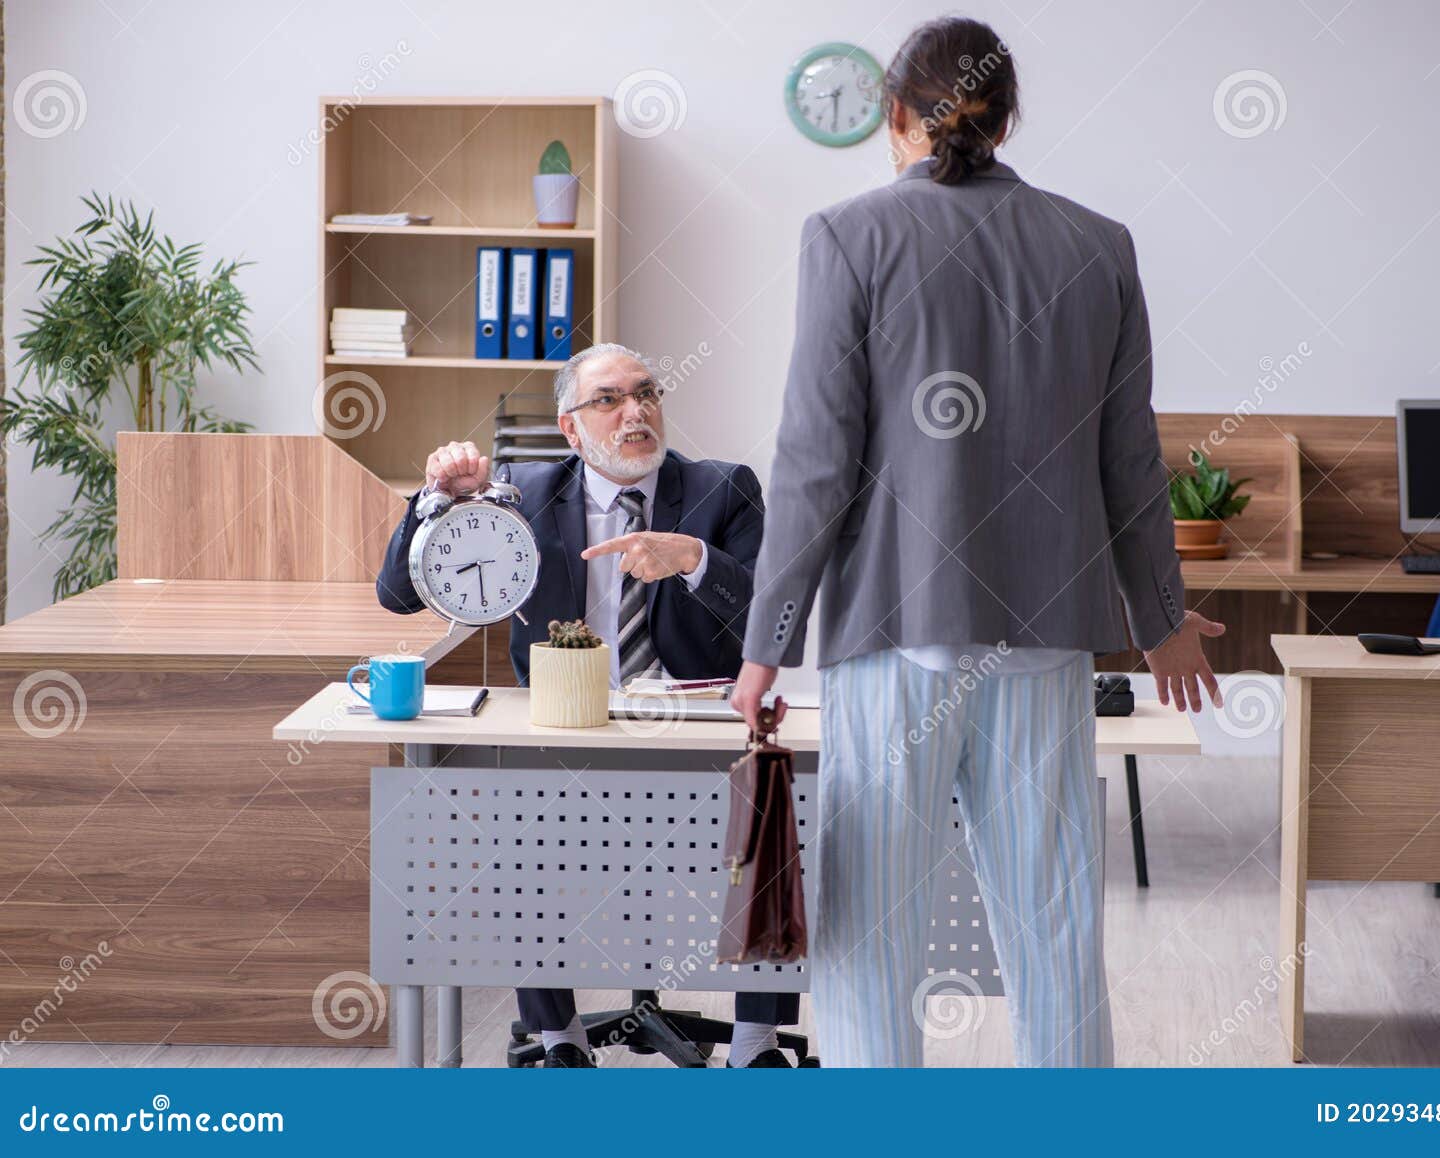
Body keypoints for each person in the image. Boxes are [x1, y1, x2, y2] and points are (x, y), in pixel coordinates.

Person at [731, 17, 1224, 1067]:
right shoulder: (1098, 245)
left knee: (872, 937)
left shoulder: (848, 235)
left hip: (894, 634)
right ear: (1008, 120)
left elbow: (815, 460)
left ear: (896, 114)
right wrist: (1163, 623)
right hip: (1044, 639)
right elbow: (1130, 460)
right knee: (1055, 929)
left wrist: (765, 644)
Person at [376, 343, 800, 1067]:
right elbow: (398, 595)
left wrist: (695, 560)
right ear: (570, 428)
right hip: (563, 739)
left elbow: (776, 615)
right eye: (609, 399)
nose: (635, 411)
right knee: (505, 830)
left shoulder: (723, 489)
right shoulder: (520, 494)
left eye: (646, 392)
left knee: (776, 809)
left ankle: (756, 1046)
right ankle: (559, 1040)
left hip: (698, 742)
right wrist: (437, 501)